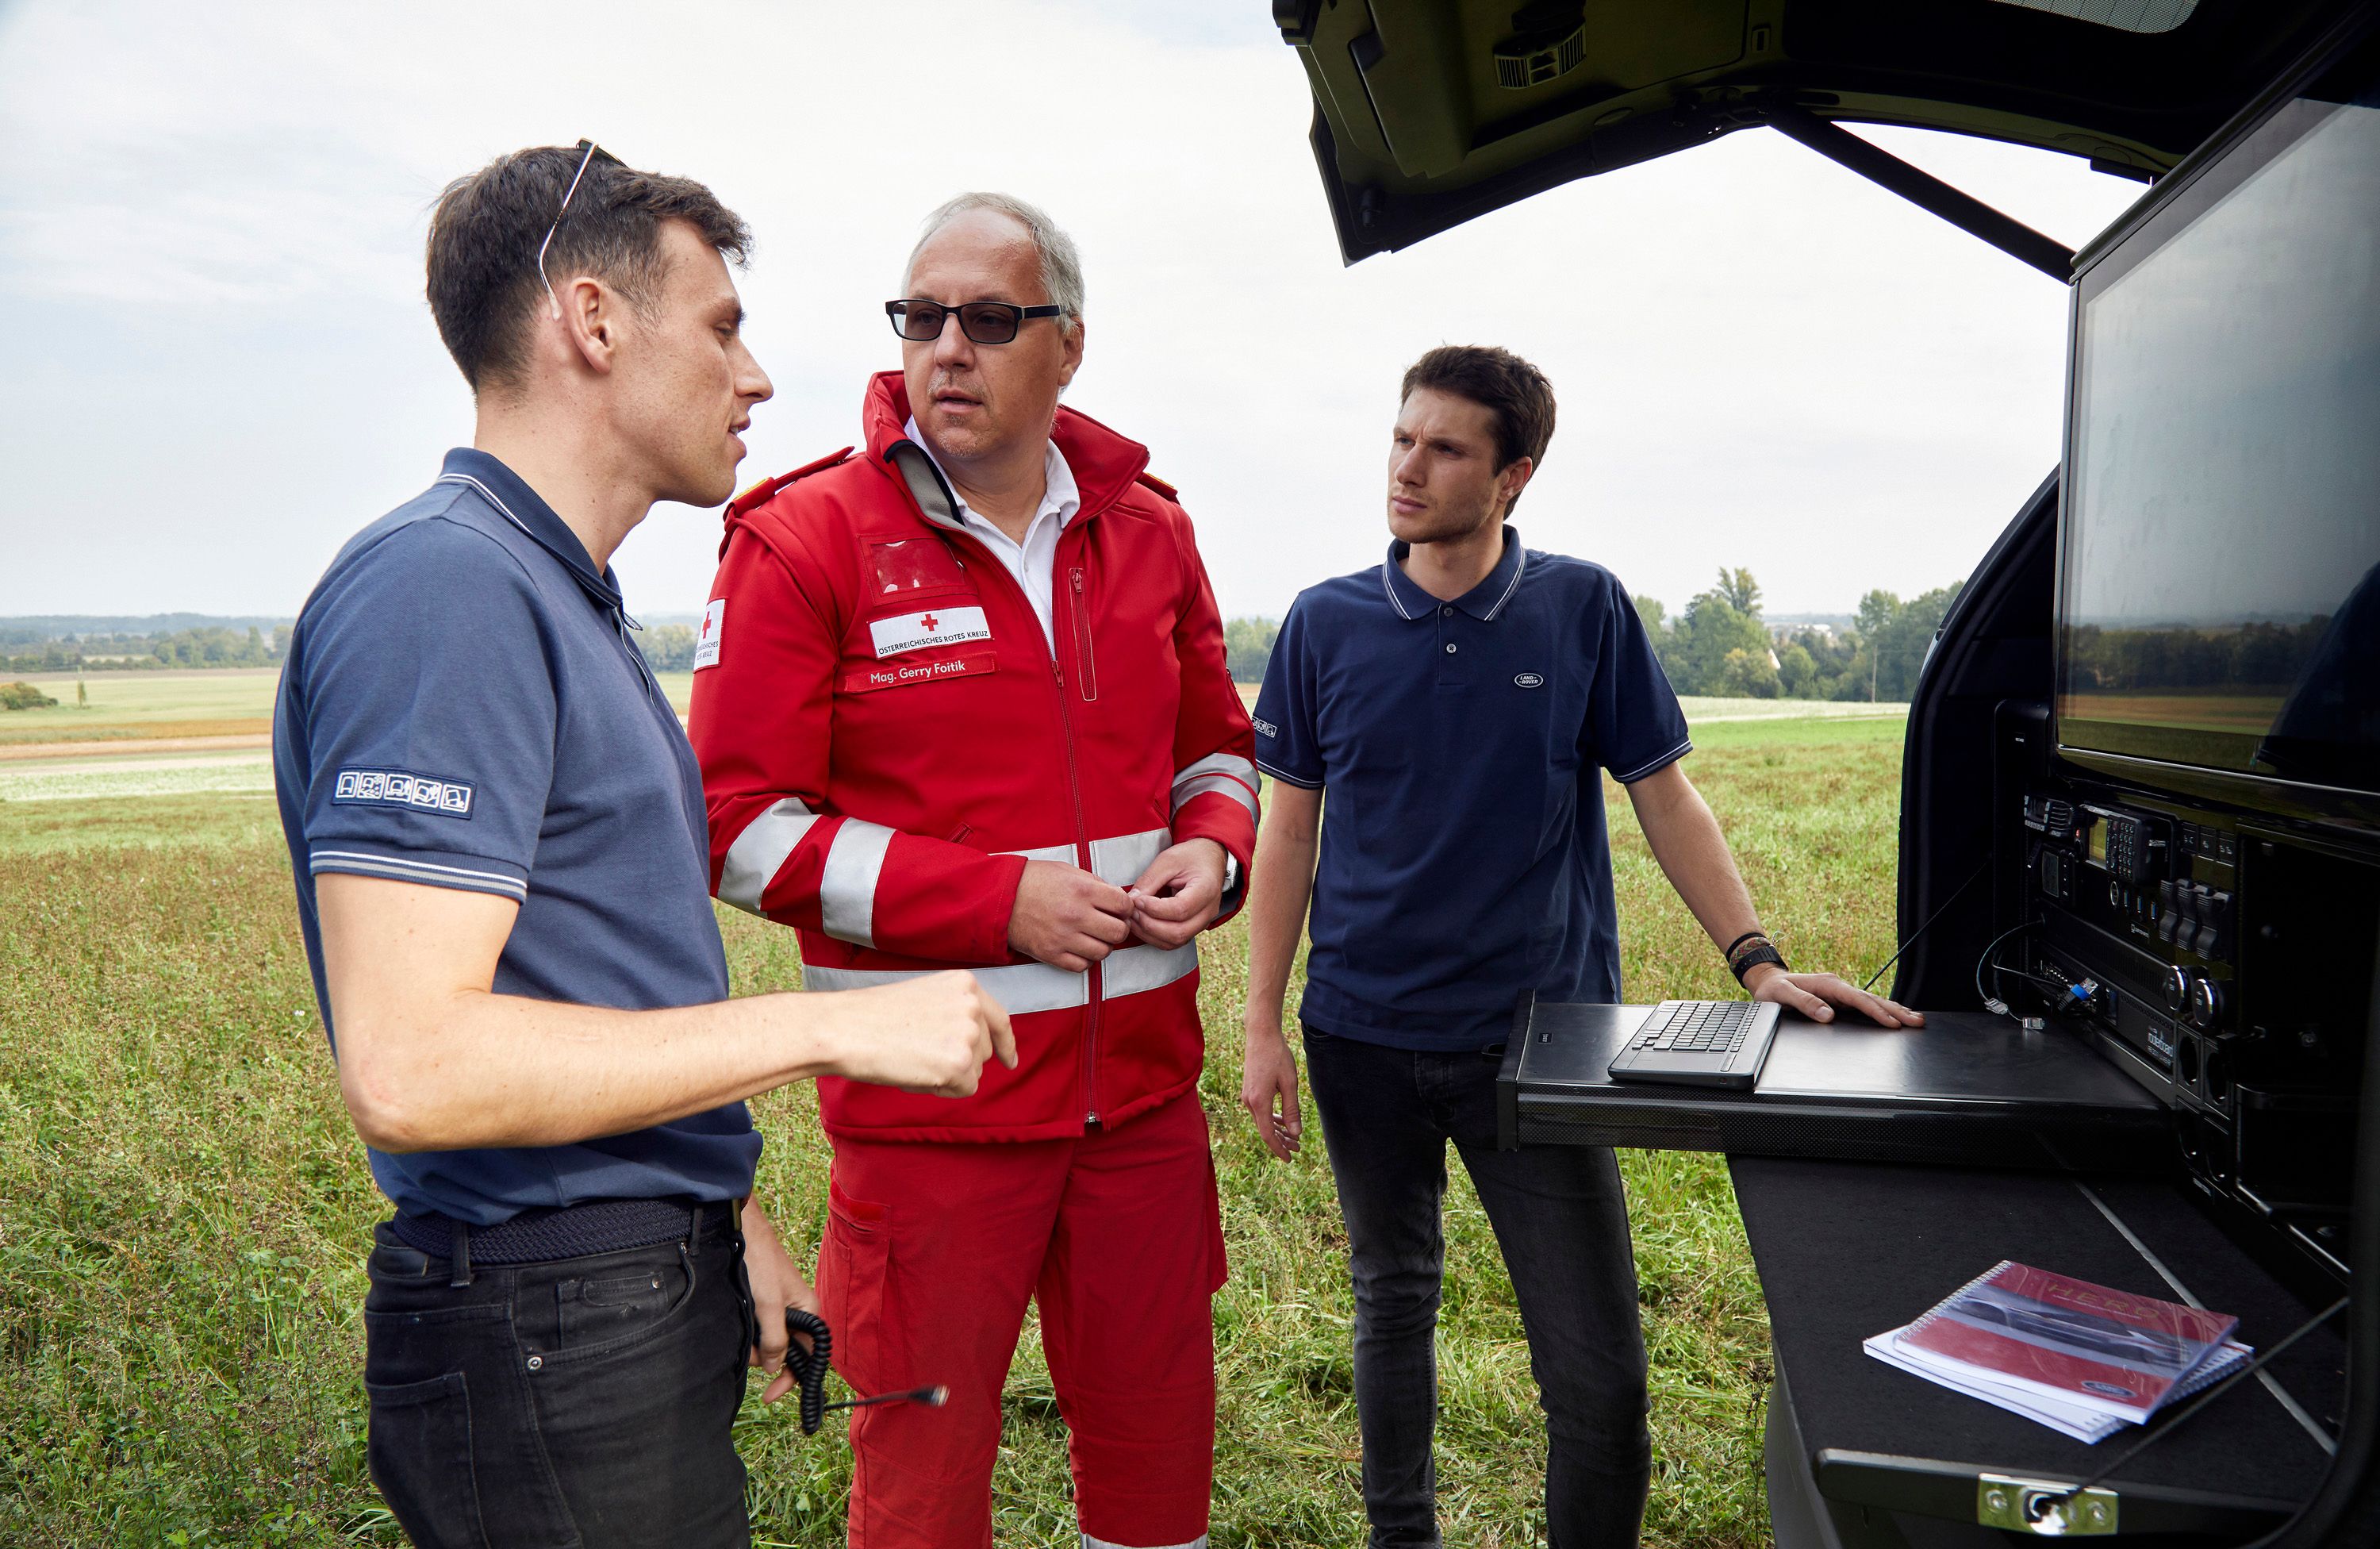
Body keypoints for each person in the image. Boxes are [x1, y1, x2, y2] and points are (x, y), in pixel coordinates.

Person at [272, 144, 1014, 1549]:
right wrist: (831, 1034)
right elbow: (414, 1066)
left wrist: (723, 1210)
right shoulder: (447, 588)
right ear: (594, 323)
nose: (759, 378)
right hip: (545, 1320)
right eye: (723, 325)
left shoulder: (566, 599)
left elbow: (599, 974)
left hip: (614, 1293)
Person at [1237, 345, 1921, 1549]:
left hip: (1539, 1049)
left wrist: (1756, 957)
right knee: (1391, 1301)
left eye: (1445, 448)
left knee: (1598, 1373)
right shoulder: (1325, 622)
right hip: (1359, 1035)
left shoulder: (1581, 605)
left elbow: (1666, 796)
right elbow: (1288, 831)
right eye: (1403, 437)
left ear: (1514, 476)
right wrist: (1260, 1025)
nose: (1408, 466)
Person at [689, 192, 1258, 1549]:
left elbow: (1221, 754)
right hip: (931, 1127)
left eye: (989, 320)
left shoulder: (1151, 531)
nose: (945, 347)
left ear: (1067, 347)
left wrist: (1215, 850)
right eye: (921, 317)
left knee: (1159, 1448)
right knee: (923, 1480)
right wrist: (996, 899)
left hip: (1140, 1110)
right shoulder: (805, 538)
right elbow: (734, 826)